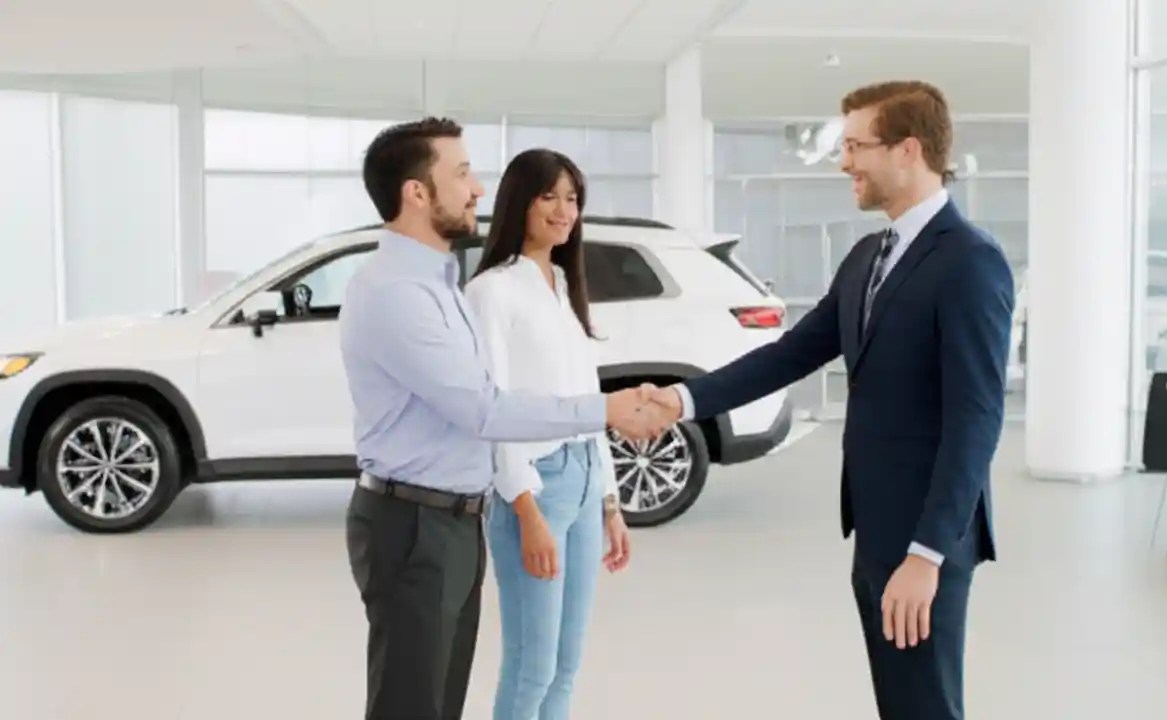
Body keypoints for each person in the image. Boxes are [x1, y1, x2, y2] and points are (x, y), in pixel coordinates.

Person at [647, 81, 1014, 720]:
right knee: (899, 703)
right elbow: (790, 354)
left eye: (854, 146)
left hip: (925, 540)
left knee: (926, 706)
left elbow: (976, 419)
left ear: (907, 149)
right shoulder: (870, 254)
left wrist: (926, 555)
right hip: (875, 530)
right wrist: (681, 400)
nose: (844, 162)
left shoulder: (970, 262)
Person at [338, 118, 665, 720]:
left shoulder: (440, 283)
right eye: (461, 174)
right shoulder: (399, 293)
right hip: (416, 520)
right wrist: (605, 412)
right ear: (417, 192)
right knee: (421, 702)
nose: (477, 190)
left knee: (445, 700)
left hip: (454, 516)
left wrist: (608, 496)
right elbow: (485, 407)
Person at [463, 148, 631, 720]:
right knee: (531, 666)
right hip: (535, 486)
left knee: (565, 666)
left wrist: (609, 501)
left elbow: (586, 399)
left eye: (573, 198)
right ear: (520, 202)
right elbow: (495, 409)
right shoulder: (491, 290)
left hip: (584, 479)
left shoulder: (559, 281)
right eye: (549, 196)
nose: (565, 210)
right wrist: (526, 509)